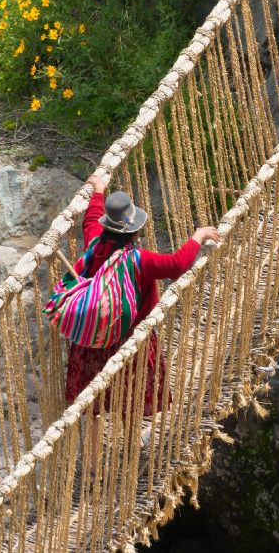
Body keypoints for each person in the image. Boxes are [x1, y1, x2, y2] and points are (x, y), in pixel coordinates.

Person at [64, 174, 220, 412]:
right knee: (129, 400)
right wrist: (198, 236)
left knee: (93, 402)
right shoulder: (140, 260)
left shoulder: (94, 242)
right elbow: (176, 265)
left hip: (93, 338)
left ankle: (94, 447)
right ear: (134, 232)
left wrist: (99, 190)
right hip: (130, 340)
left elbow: (91, 220)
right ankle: (129, 443)